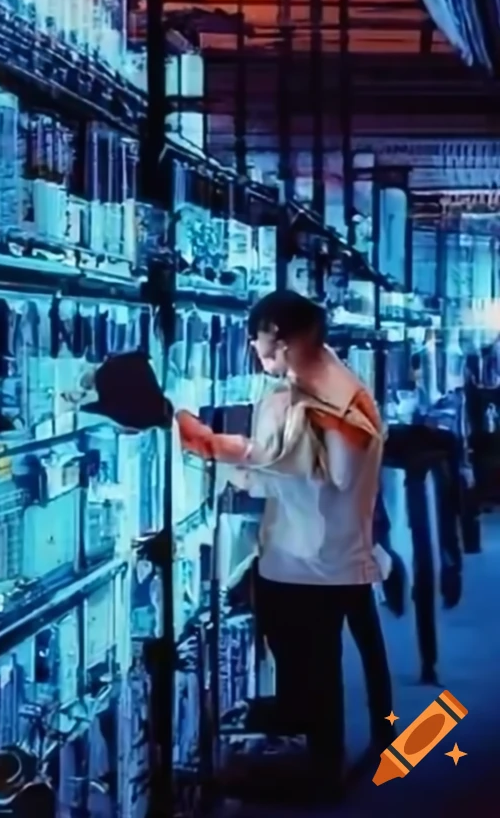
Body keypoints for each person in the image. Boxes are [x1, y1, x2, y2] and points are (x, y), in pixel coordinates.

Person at [175, 290, 393, 799]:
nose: (254, 350)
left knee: (312, 670)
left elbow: (324, 474)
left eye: (257, 338)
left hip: (308, 563)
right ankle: (346, 754)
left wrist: (225, 456)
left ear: (278, 335)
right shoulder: (341, 390)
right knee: (330, 663)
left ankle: (321, 771)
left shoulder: (314, 399)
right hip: (338, 557)